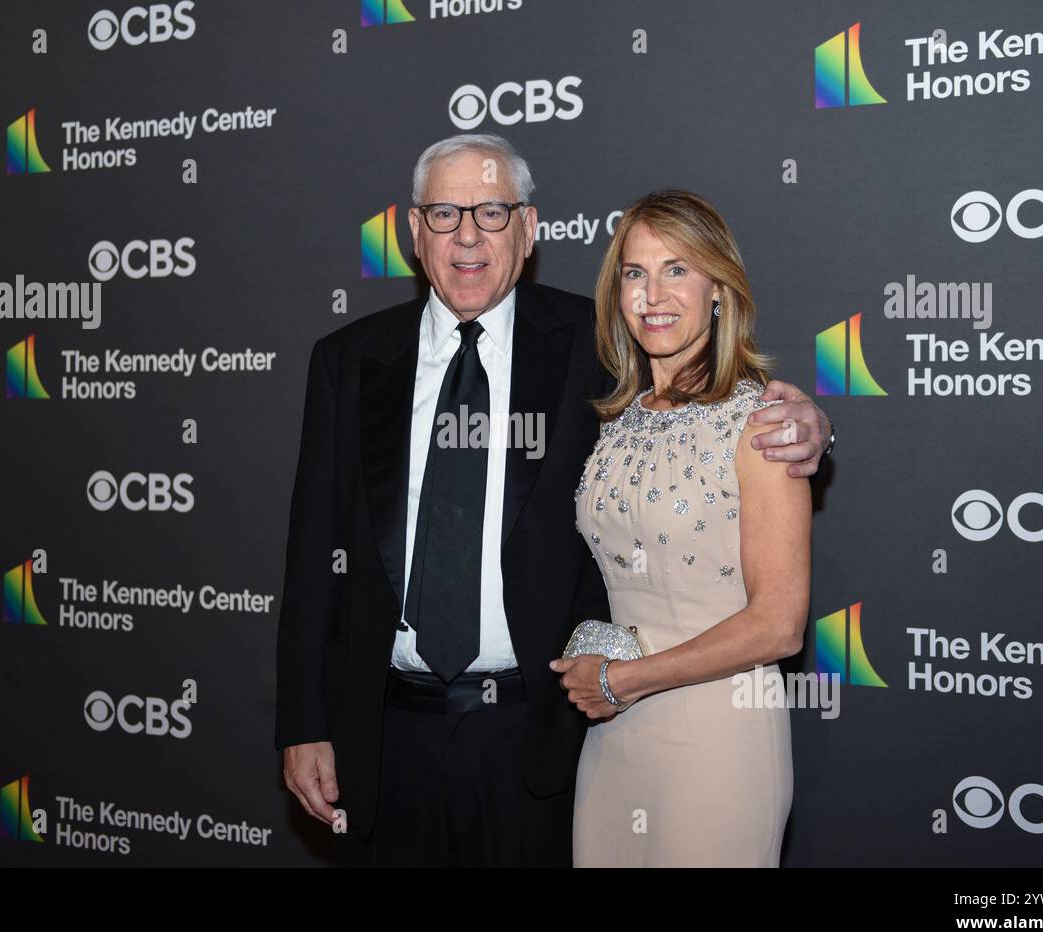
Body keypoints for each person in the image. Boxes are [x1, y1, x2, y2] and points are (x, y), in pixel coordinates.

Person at [275, 134, 830, 866]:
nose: (468, 235)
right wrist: (302, 721)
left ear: (529, 229)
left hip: (543, 741)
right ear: (414, 232)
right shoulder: (348, 362)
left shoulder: (600, 346)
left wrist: (814, 426)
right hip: (386, 736)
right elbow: (313, 555)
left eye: (493, 212)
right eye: (444, 213)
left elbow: (715, 392)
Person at [554, 189, 810, 866]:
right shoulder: (618, 419)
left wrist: (625, 679)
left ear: (719, 289)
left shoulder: (763, 425)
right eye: (635, 272)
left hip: (718, 738)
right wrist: (603, 659)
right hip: (614, 742)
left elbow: (779, 623)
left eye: (677, 269)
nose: (652, 293)